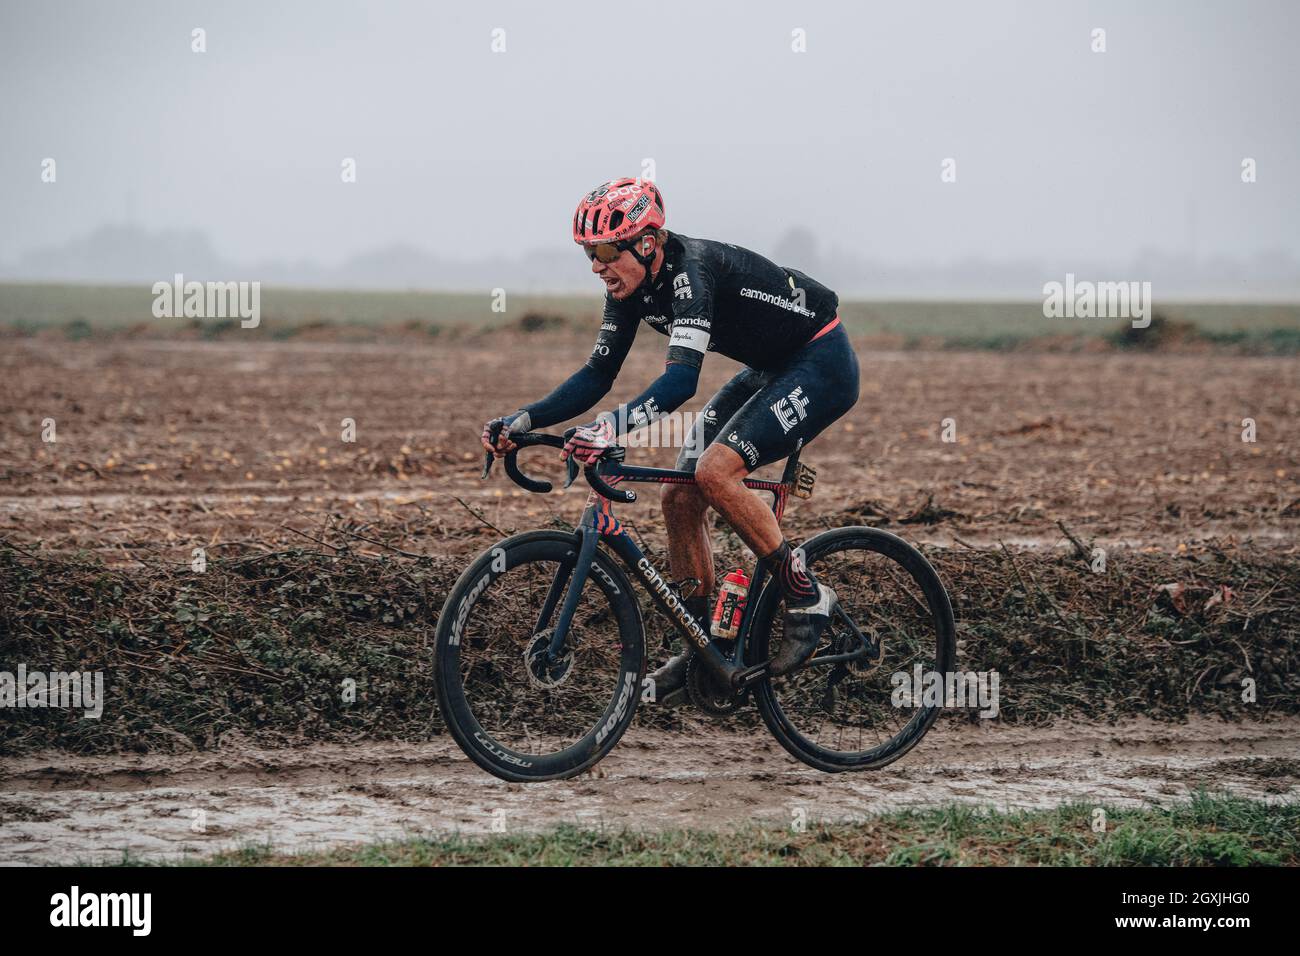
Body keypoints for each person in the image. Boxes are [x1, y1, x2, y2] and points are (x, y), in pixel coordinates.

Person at [481, 178, 860, 697]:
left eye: (608, 250)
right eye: (590, 253)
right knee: (680, 494)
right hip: (770, 368)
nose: (597, 265)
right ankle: (702, 650)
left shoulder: (691, 274)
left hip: (821, 362)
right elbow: (597, 375)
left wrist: (610, 427)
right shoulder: (629, 287)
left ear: (648, 243)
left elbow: (682, 382)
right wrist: (523, 420)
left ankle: (806, 595)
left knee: (714, 471)